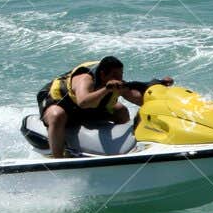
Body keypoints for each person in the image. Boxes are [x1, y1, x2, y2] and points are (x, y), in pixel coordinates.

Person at [38, 57, 171, 160]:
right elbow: (83, 102)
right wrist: (106, 89)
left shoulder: (114, 82)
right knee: (57, 115)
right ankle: (58, 159)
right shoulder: (85, 79)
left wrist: (161, 97)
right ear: (102, 74)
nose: (119, 79)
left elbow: (136, 98)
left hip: (86, 110)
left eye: (121, 74)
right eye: (115, 75)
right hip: (62, 105)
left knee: (121, 111)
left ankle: (123, 150)